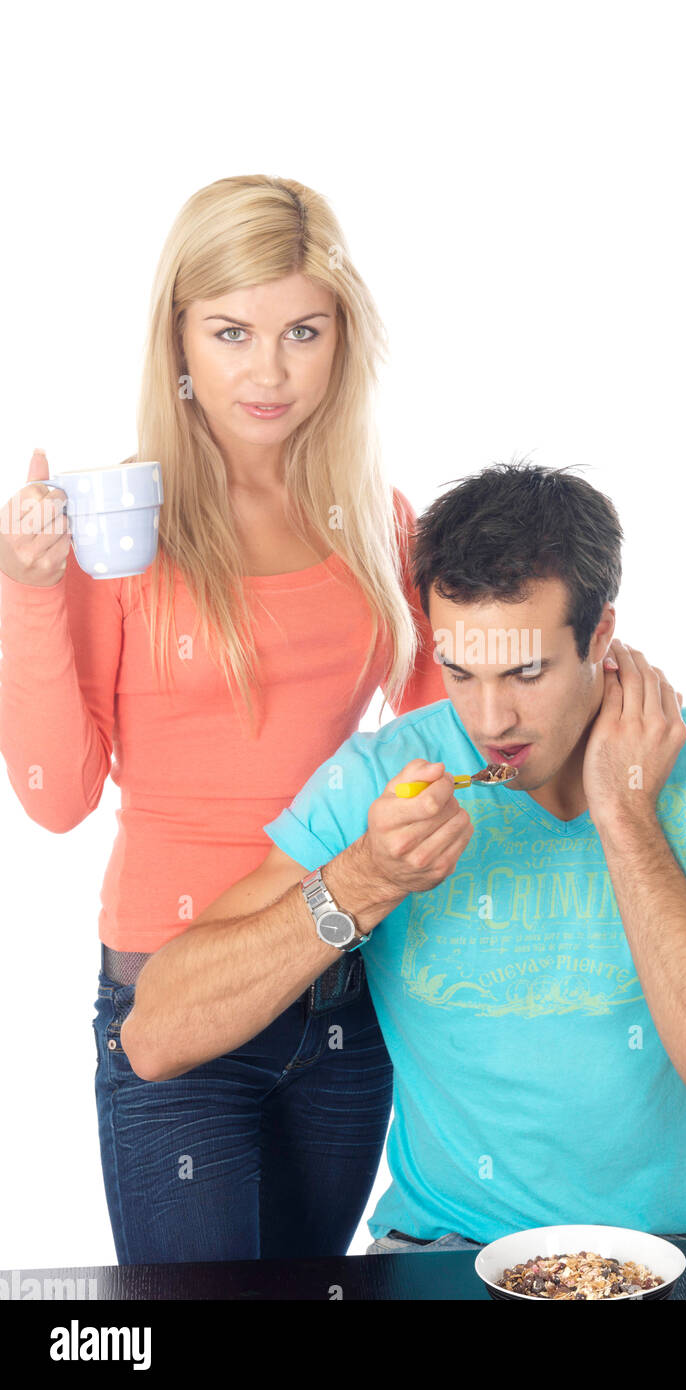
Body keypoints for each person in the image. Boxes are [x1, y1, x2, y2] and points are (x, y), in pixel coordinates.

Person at [120, 460, 686, 1251]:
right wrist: (363, 881)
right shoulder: (386, 775)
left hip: (669, 1256)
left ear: (599, 634)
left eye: (526, 672)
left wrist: (625, 815)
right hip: (442, 1255)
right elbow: (155, 1036)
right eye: (459, 671)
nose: (491, 719)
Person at [0, 175, 447, 1264]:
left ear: (343, 337)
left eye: (304, 330)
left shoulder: (379, 522)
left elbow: (438, 748)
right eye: (232, 331)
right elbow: (58, 800)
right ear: (181, 341)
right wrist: (24, 587)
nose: (269, 369)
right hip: (175, 993)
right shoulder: (117, 532)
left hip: (345, 995)